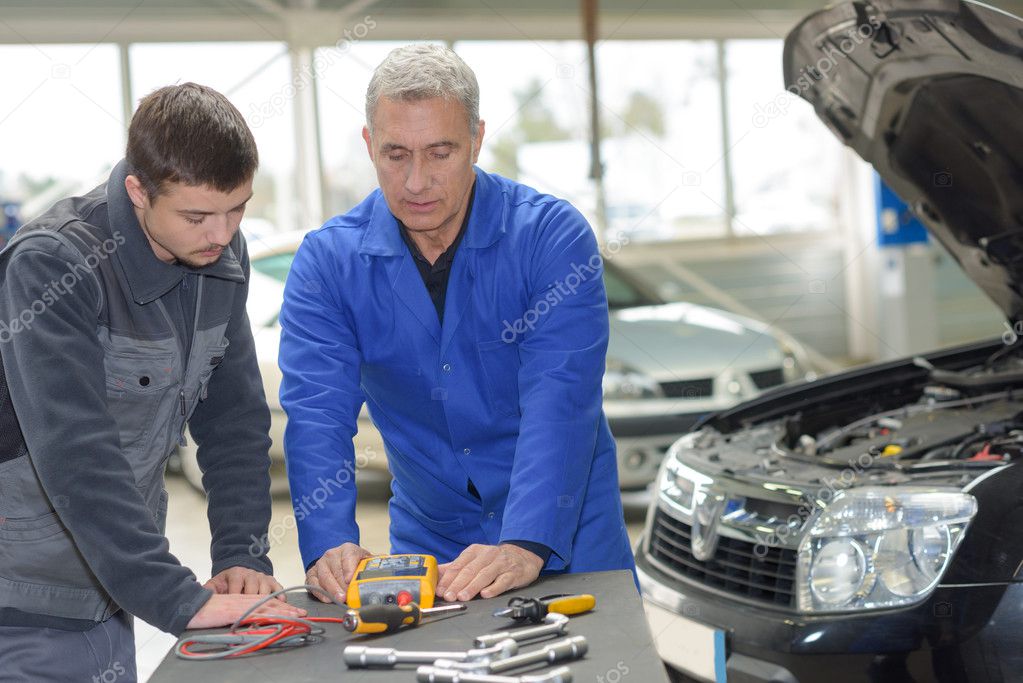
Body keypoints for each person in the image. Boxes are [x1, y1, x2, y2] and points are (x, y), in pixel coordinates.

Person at [279, 44, 635, 608]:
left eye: (440, 153)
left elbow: (560, 399)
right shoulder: (328, 264)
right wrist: (330, 541)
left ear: (476, 138)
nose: (416, 181)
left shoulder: (552, 238)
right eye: (395, 154)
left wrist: (525, 540)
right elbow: (318, 411)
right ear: (369, 144)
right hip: (435, 546)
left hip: (567, 537)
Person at [0, 83, 304, 682]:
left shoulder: (217, 255)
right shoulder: (52, 265)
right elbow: (78, 457)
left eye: (237, 207)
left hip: (112, 593)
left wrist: (241, 551)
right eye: (197, 215)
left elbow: (235, 420)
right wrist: (178, 599)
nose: (222, 235)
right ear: (139, 191)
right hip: (23, 603)